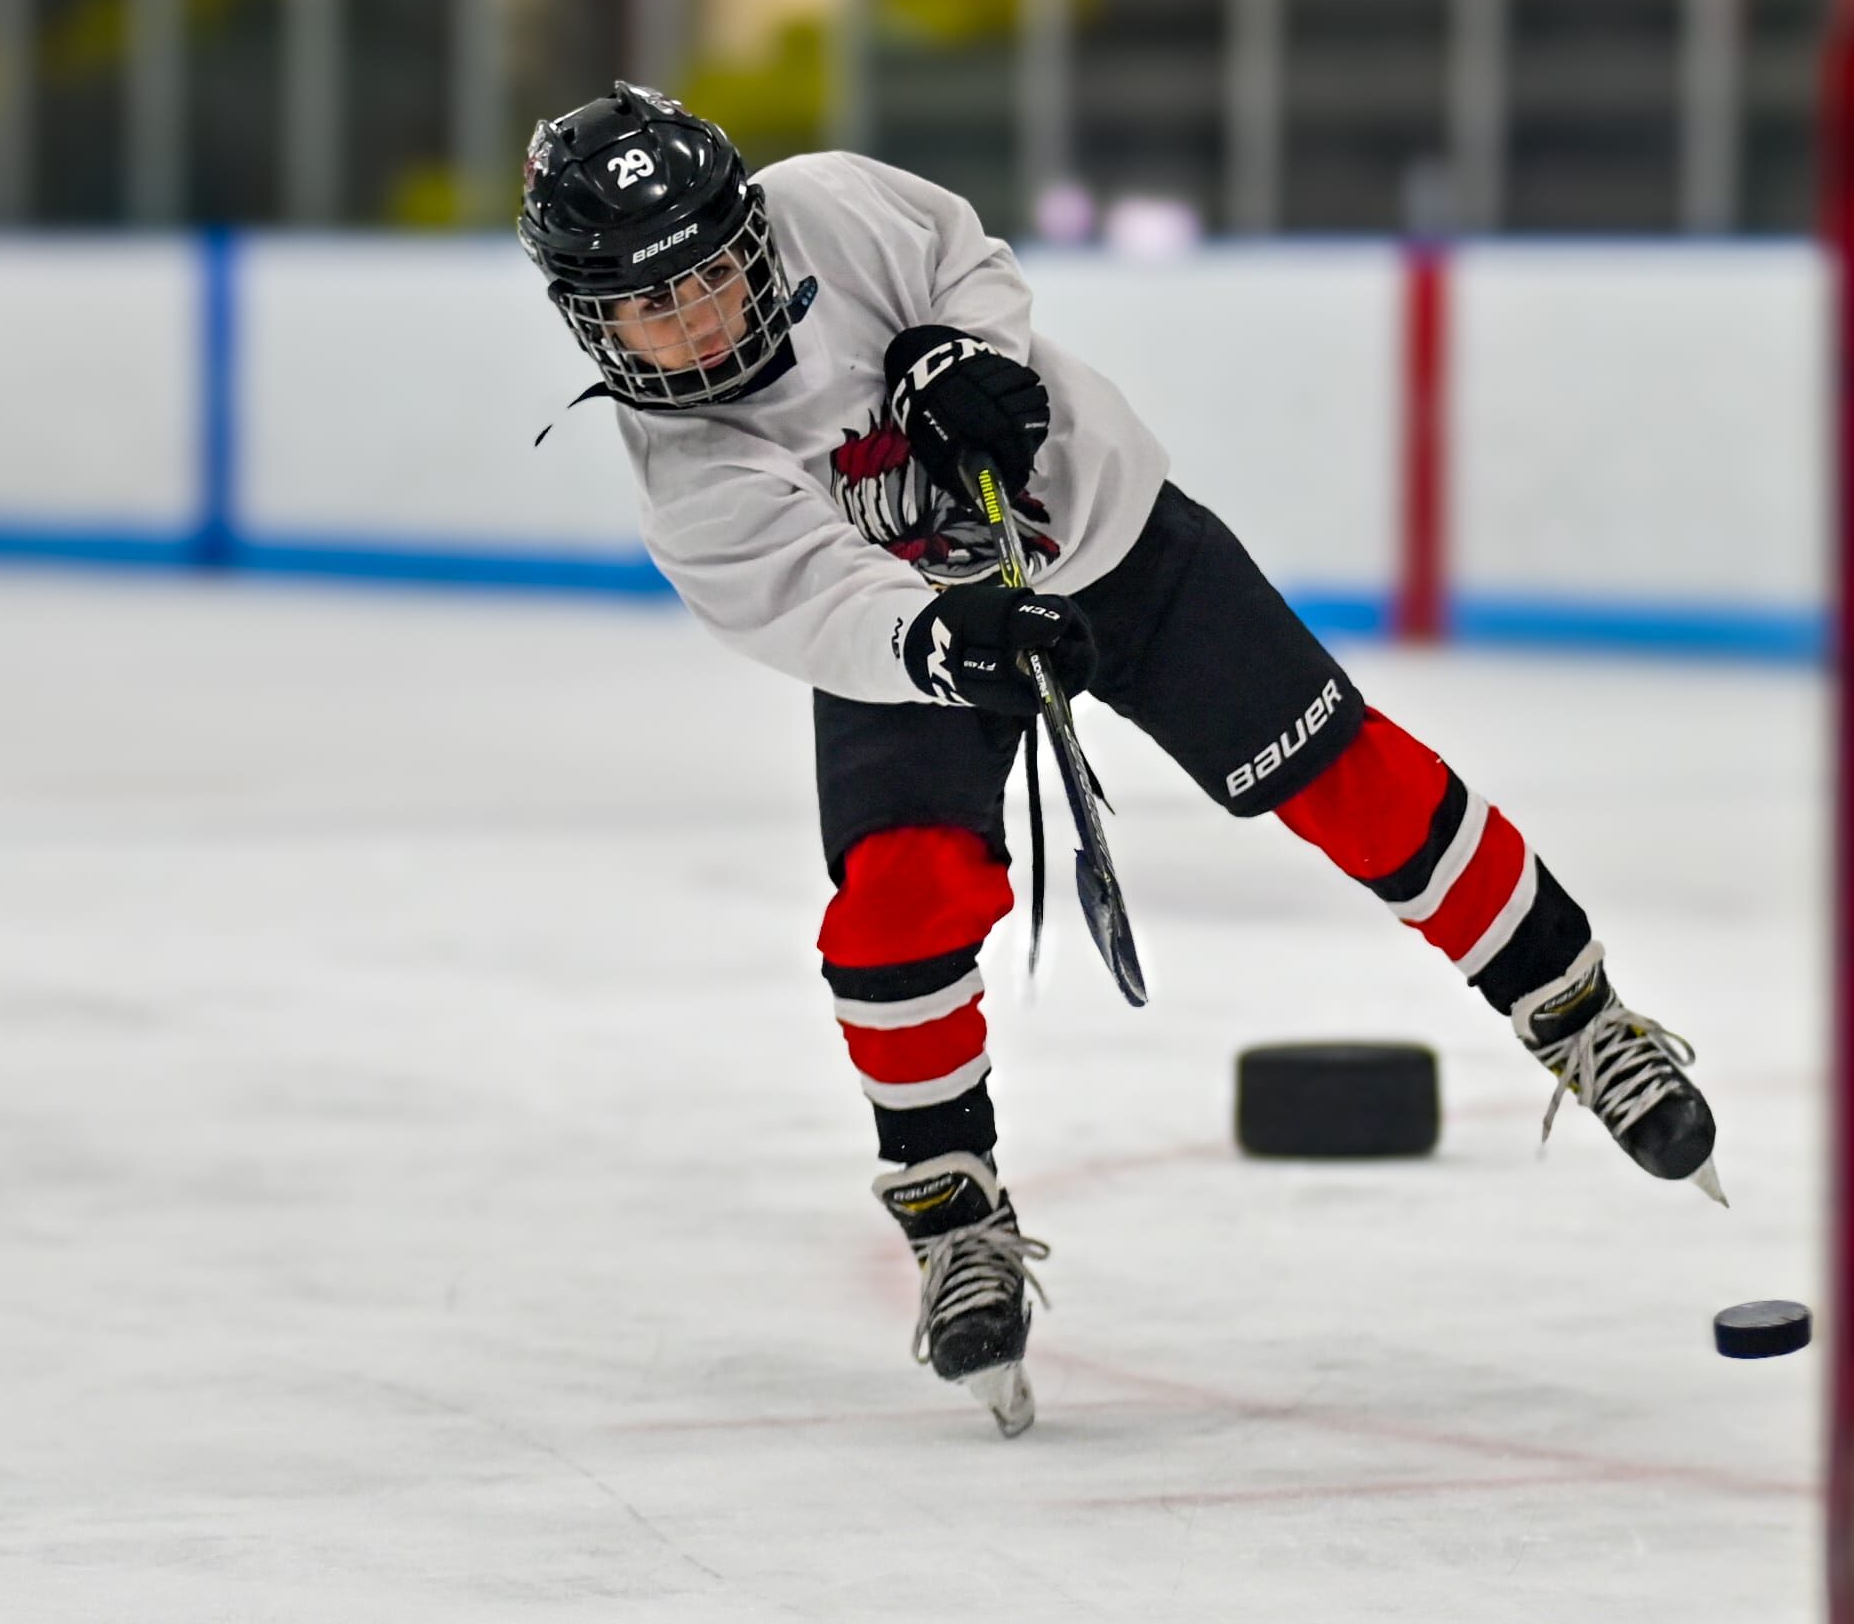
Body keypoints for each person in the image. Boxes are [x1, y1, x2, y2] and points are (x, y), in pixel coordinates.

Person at [516, 82, 1723, 1437]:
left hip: (1118, 544)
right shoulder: (684, 471)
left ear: (753, 234)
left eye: (708, 279)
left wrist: (956, 347)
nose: (690, 323)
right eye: (646, 307)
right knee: (895, 902)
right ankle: (948, 1208)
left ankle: (1577, 1012)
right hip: (917, 638)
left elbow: (965, 260)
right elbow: (819, 607)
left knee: (1348, 778)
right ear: (587, 319)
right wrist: (937, 638)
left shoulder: (833, 204)